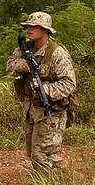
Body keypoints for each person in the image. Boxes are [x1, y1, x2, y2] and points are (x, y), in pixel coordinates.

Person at [5, 11, 77, 175]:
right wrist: (21, 65)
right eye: (28, 26)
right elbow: (9, 66)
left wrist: (44, 90)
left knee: (41, 154)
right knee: (34, 152)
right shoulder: (25, 49)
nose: (30, 29)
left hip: (51, 110)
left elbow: (69, 83)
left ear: (45, 30)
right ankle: (64, 177)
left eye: (35, 26)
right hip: (32, 111)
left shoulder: (57, 53)